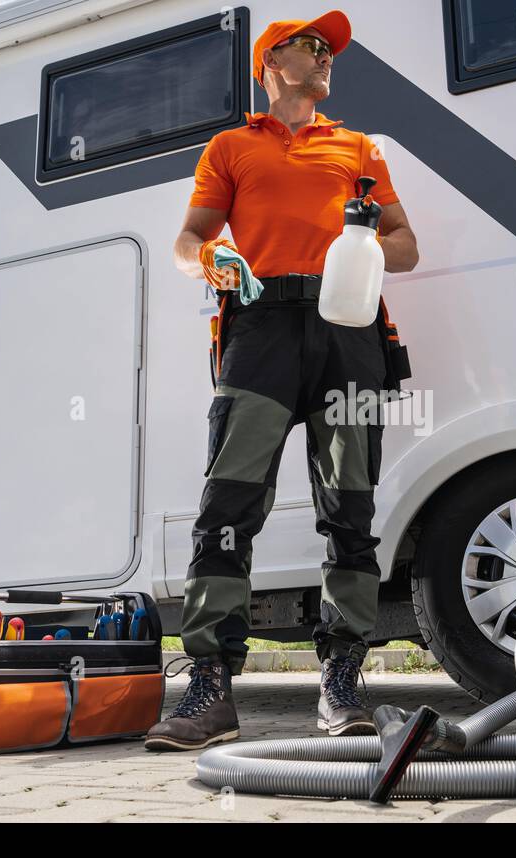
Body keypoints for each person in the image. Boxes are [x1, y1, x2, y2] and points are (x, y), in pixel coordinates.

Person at [145, 10, 419, 751]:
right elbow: (187, 241)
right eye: (310, 46)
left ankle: (342, 680)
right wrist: (212, 261)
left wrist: (365, 239)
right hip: (260, 327)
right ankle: (209, 688)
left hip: (347, 331)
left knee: (349, 509)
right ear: (270, 63)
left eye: (329, 50)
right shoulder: (232, 146)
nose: (326, 57)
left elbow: (407, 247)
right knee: (227, 504)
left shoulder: (358, 146)